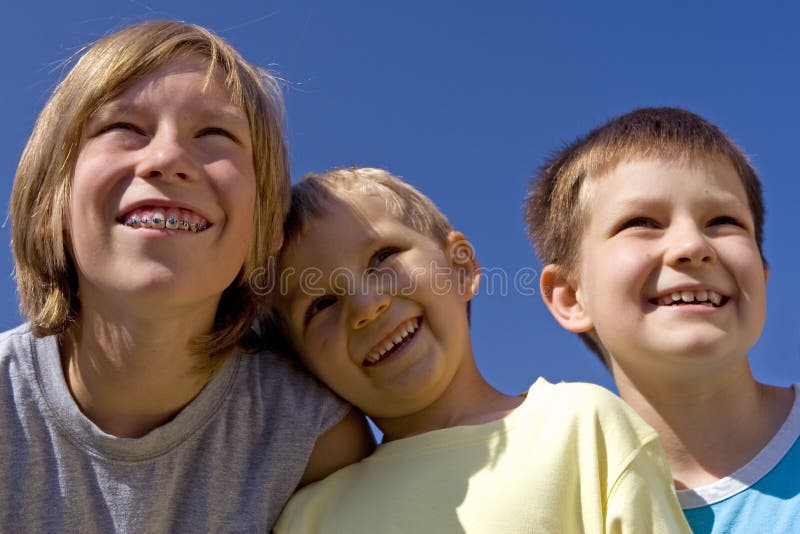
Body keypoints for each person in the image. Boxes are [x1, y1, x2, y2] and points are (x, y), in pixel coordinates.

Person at [0, 20, 373, 531]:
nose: (169, 157)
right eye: (124, 128)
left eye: (215, 134)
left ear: (267, 230)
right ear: (52, 203)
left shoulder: (313, 440)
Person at [268, 167, 689, 532]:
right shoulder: (306, 518)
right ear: (298, 364)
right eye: (320, 304)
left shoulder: (582, 426)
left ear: (461, 266)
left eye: (382, 257)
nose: (365, 305)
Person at [526, 107, 800, 532]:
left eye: (723, 221)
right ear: (570, 297)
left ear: (761, 277)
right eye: (642, 223)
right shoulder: (554, 512)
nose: (692, 245)